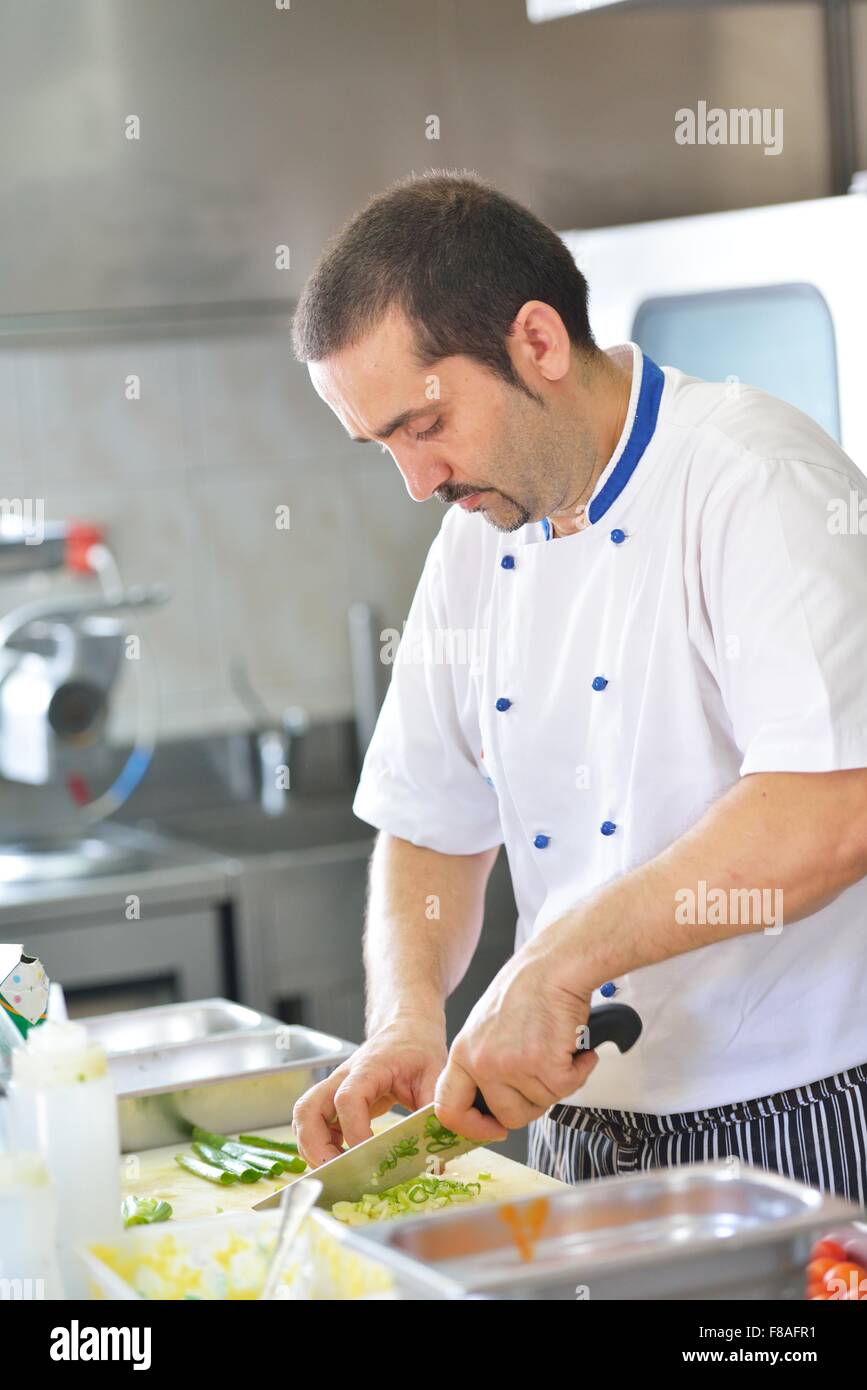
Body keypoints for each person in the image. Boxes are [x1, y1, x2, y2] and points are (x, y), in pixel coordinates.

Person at [291, 171, 867, 1198]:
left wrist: (556, 961)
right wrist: (407, 1016)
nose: (417, 482)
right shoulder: (476, 539)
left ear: (539, 343)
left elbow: (828, 813)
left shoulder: (754, 482)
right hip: (580, 1133)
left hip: (798, 1117)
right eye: (382, 445)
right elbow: (428, 821)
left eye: (424, 428)